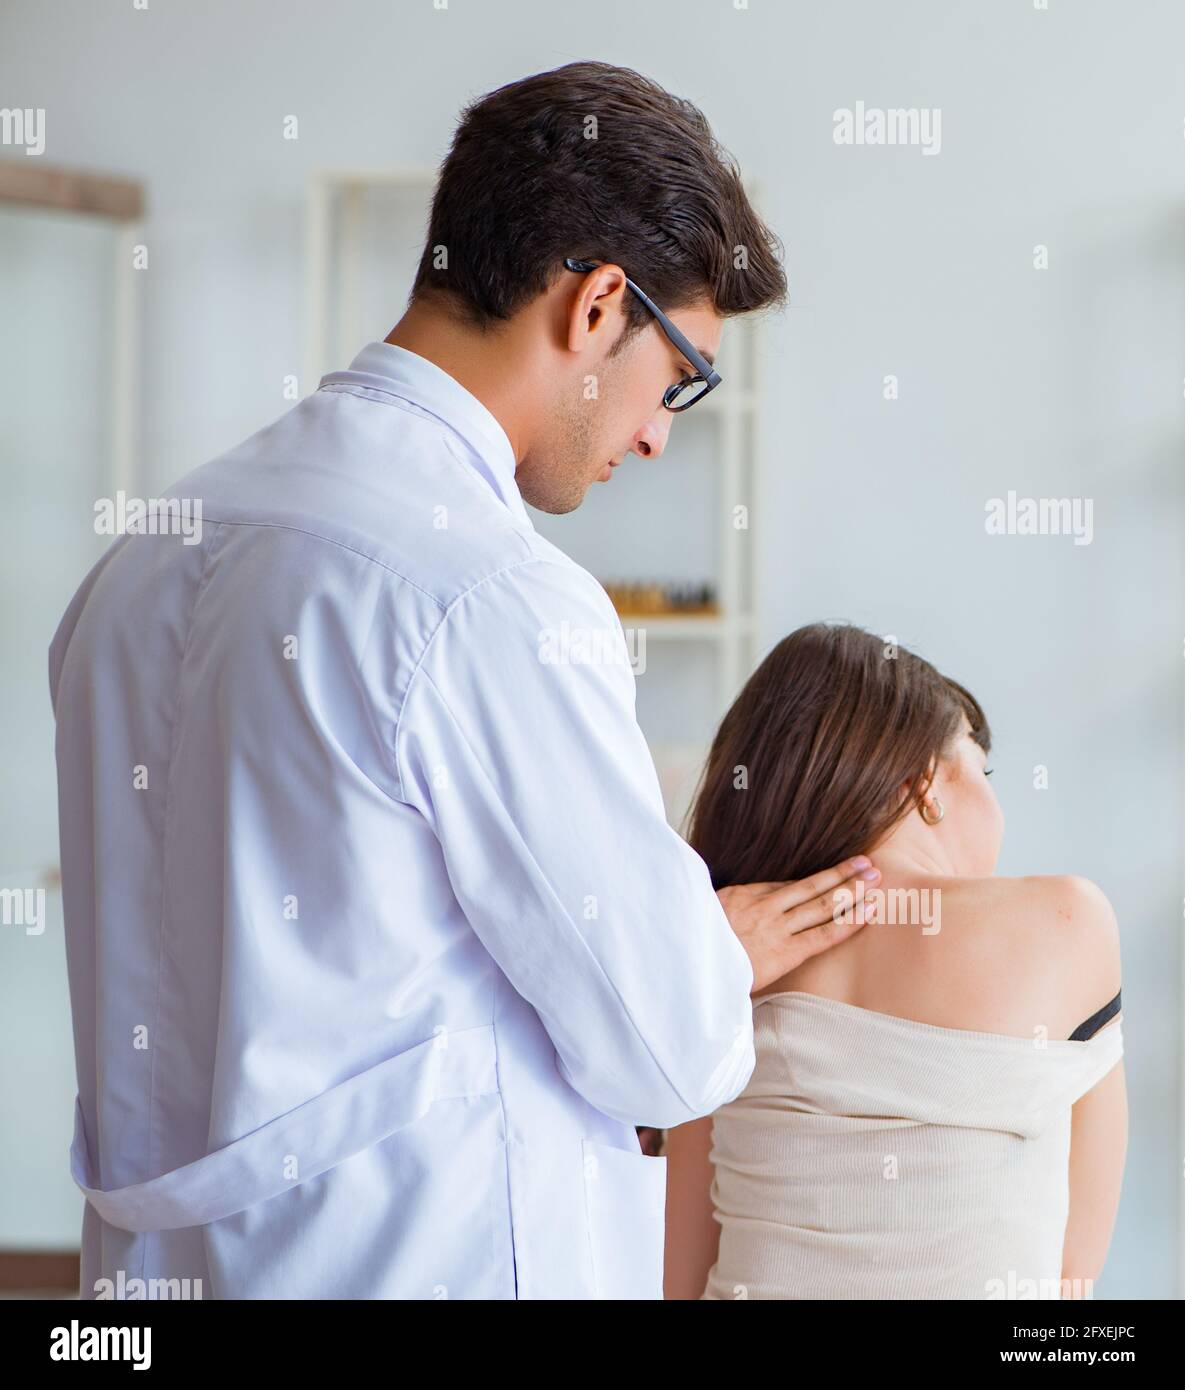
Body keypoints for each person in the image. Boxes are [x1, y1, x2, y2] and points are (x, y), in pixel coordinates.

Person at [50, 62, 874, 1300]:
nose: (657, 433)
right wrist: (707, 952)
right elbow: (669, 1050)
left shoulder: (144, 556)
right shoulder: (492, 599)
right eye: (682, 377)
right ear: (601, 307)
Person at [664, 624, 1126, 1300]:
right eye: (980, 765)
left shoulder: (711, 951)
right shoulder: (1065, 919)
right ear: (923, 787)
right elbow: (1069, 1281)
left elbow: (678, 1275)